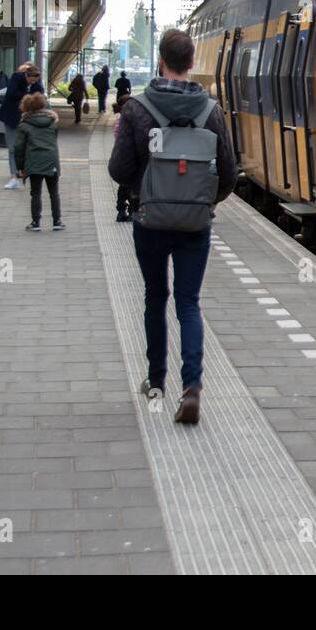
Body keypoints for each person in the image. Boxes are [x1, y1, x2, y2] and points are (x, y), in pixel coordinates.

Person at [109, 30, 236, 424]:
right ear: (191, 62)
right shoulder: (211, 110)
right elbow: (230, 174)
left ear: (160, 61)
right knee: (188, 302)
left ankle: (156, 380)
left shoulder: (137, 108)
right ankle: (192, 387)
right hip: (195, 225)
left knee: (154, 296)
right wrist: (203, 201)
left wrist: (143, 191)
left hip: (149, 221)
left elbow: (119, 169)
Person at [13, 92, 64, 232]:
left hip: (34, 162)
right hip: (51, 161)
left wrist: (20, 167)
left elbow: (18, 148)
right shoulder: (52, 123)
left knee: (35, 193)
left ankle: (36, 222)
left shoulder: (24, 125)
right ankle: (57, 221)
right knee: (54, 192)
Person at [0, 62, 36, 189]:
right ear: (26, 75)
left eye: (35, 81)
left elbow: (40, 95)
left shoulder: (35, 82)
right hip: (12, 118)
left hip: (27, 119)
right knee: (13, 148)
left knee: (27, 146)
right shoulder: (16, 78)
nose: (32, 83)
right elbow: (11, 94)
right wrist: (28, 95)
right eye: (31, 80)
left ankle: (23, 170)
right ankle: (14, 176)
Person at [112, 91, 136, 222]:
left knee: (123, 186)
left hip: (120, 157)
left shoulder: (119, 121)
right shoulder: (130, 121)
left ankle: (121, 210)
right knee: (133, 186)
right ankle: (132, 210)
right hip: (131, 158)